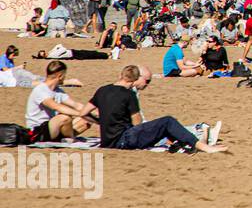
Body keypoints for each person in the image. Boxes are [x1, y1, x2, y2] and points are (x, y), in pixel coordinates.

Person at [89, 64, 227, 152]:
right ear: (137, 77)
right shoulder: (129, 95)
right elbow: (137, 124)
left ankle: (199, 135)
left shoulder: (104, 90)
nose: (147, 85)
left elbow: (83, 111)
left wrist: (104, 122)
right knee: (168, 123)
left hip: (110, 140)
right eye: (146, 81)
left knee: (166, 128)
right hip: (124, 140)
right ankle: (200, 134)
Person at [25, 61, 96, 142]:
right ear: (60, 76)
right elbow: (57, 107)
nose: (65, 77)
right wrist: (81, 114)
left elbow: (75, 105)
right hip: (37, 131)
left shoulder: (58, 91)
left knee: (87, 121)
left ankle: (66, 138)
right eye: (65, 75)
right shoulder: (41, 90)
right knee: (64, 117)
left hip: (53, 128)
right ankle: (71, 139)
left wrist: (96, 114)